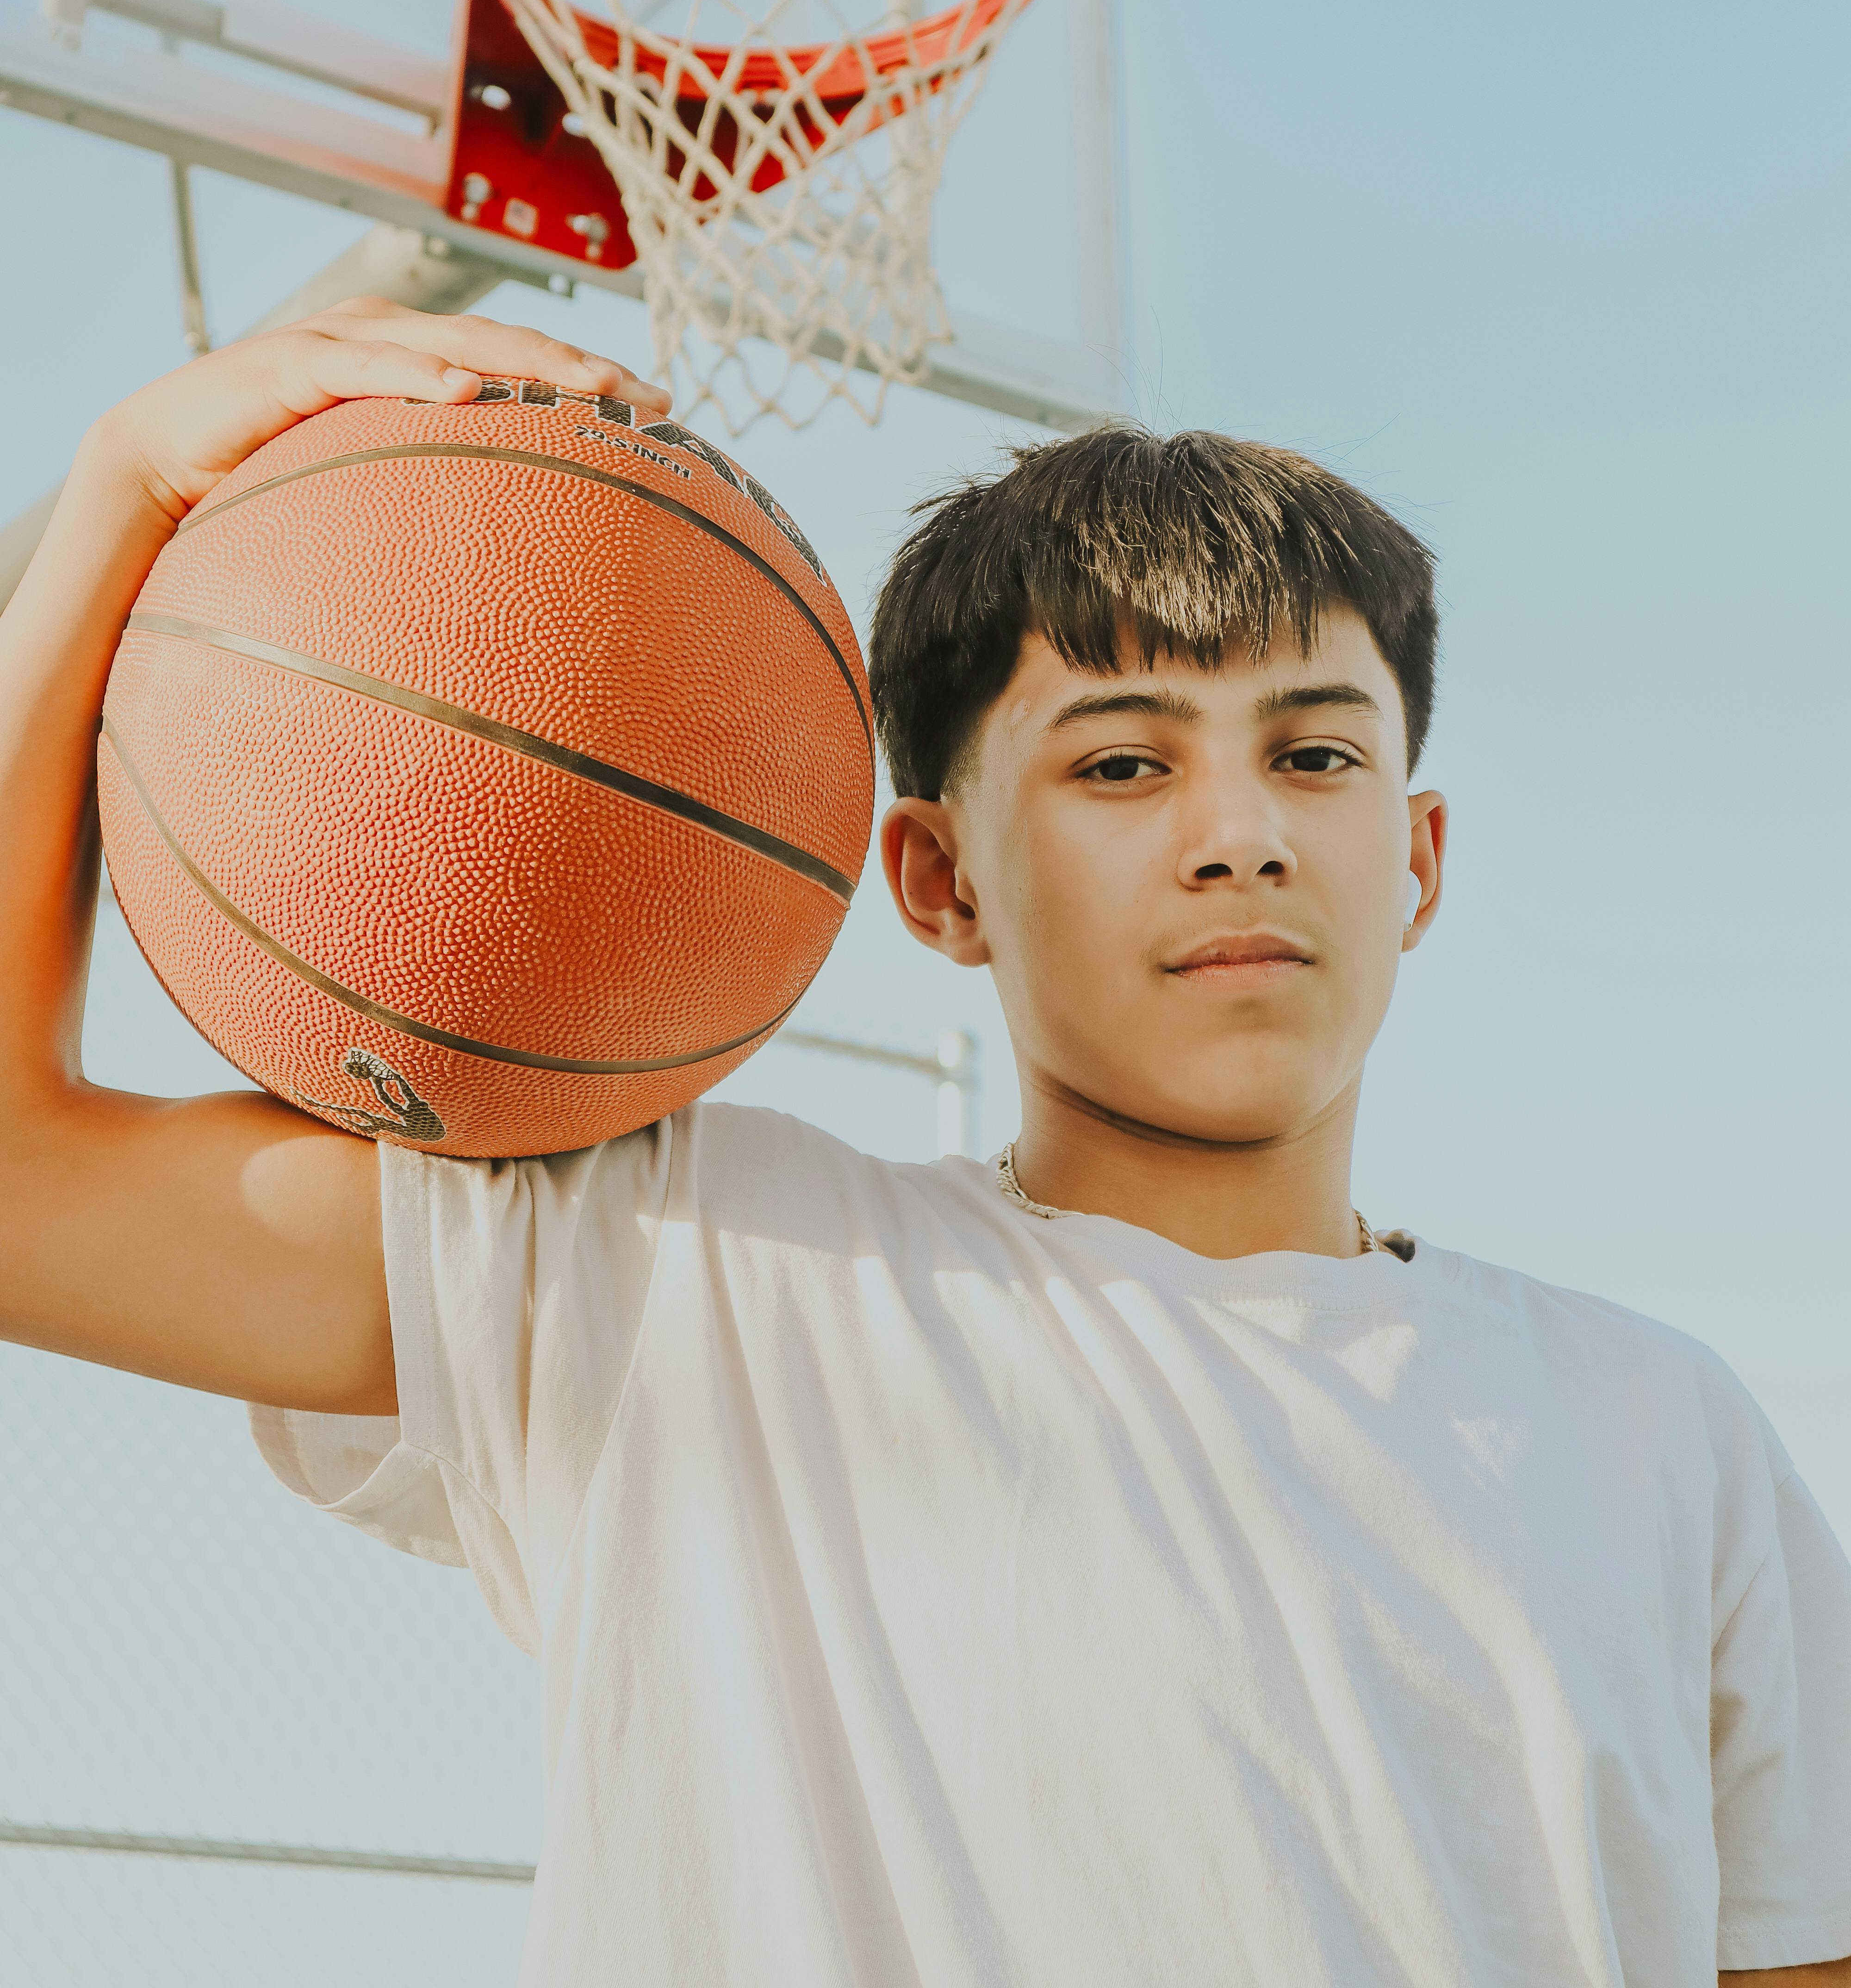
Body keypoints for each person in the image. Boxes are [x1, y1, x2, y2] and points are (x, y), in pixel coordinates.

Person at [1, 299, 1846, 1988]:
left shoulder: (1665, 1435)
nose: (1241, 837)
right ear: (935, 876)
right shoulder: (673, 1269)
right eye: (1122, 763)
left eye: (1314, 756)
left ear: (1419, 860)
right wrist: (119, 489)